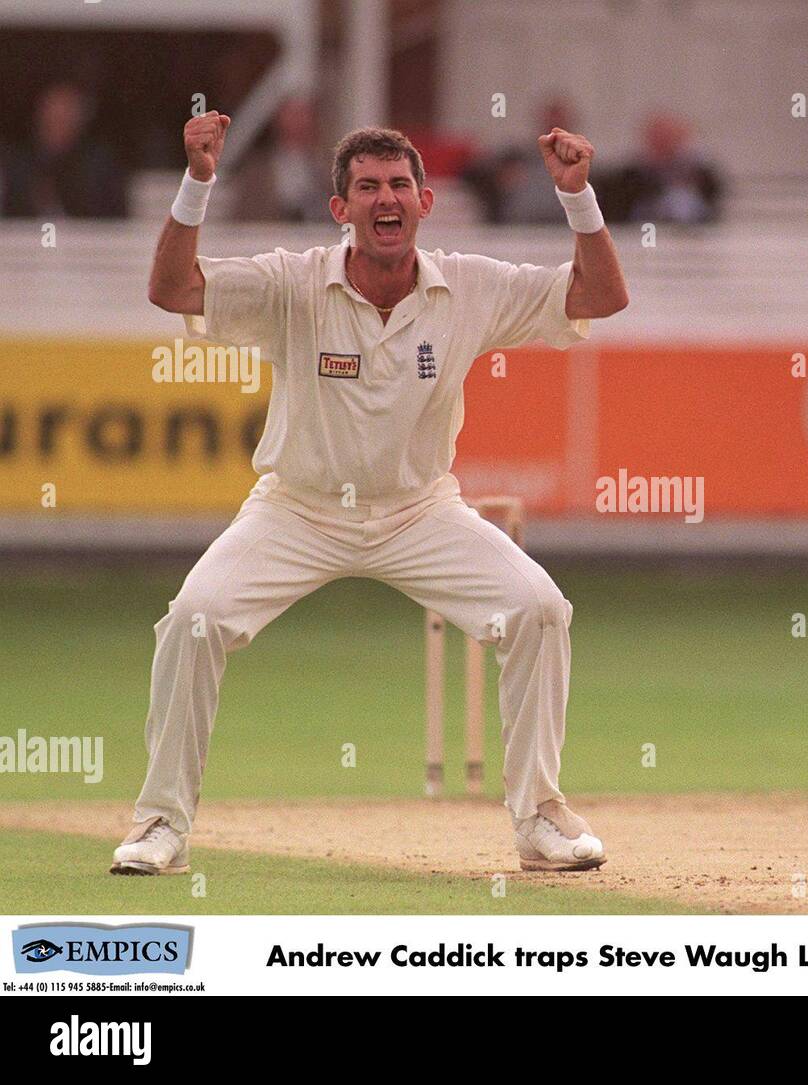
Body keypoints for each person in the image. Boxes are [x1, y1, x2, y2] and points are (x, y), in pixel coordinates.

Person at [111, 113, 627, 875]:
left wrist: (578, 198)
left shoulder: (470, 284)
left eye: (398, 186)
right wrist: (198, 180)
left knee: (539, 609)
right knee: (192, 620)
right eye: (366, 188)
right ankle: (160, 824)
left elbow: (601, 298)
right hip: (299, 508)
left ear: (424, 202)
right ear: (340, 209)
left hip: (420, 510)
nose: (385, 200)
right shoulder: (293, 281)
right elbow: (171, 287)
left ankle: (540, 821)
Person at [2, 83, 127, 218]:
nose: (59, 120)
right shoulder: (20, 163)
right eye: (53, 114)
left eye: (66, 114)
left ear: (80, 119)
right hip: (28, 237)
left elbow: (115, 217)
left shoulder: (99, 165)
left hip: (86, 236)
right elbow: (11, 216)